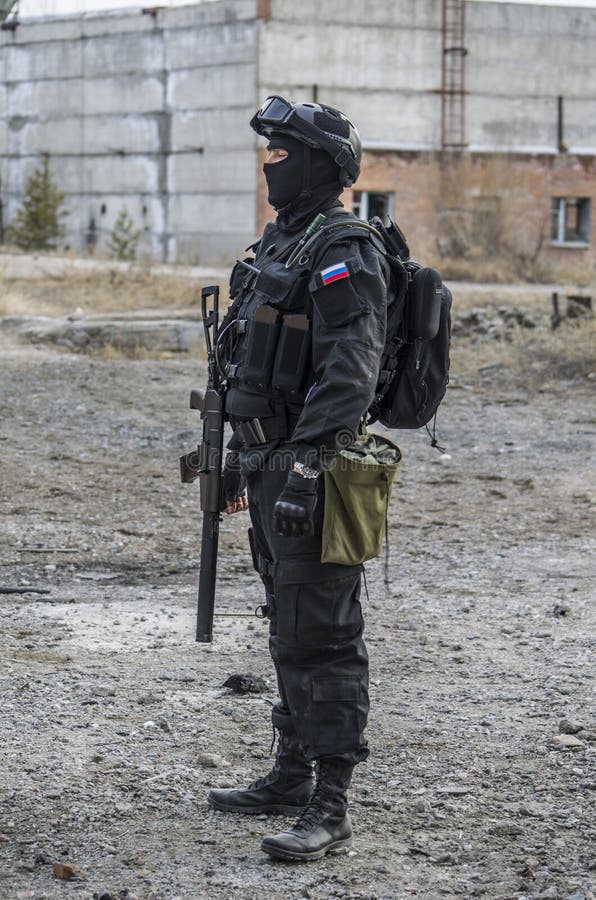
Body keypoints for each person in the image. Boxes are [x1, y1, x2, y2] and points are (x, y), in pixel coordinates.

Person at [206, 96, 388, 862]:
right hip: (263, 456)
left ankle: (332, 801)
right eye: (269, 151)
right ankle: (288, 772)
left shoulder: (344, 246)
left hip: (314, 468)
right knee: (286, 620)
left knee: (325, 633)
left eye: (282, 152)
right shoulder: (281, 242)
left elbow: (351, 372)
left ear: (319, 164)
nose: (269, 163)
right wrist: (232, 460)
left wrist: (308, 465)